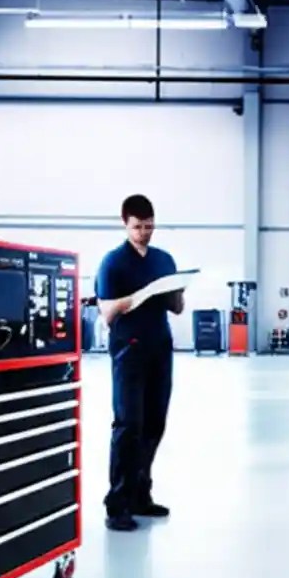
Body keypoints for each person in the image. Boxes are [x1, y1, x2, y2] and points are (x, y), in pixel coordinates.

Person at [95, 194, 184, 531]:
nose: (144, 233)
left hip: (160, 346)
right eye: (138, 227)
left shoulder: (164, 259)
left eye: (149, 226)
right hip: (128, 348)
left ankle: (140, 495)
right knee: (128, 424)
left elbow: (177, 308)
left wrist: (176, 292)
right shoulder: (113, 262)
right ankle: (117, 503)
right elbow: (106, 312)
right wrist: (137, 297)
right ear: (125, 223)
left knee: (154, 424)